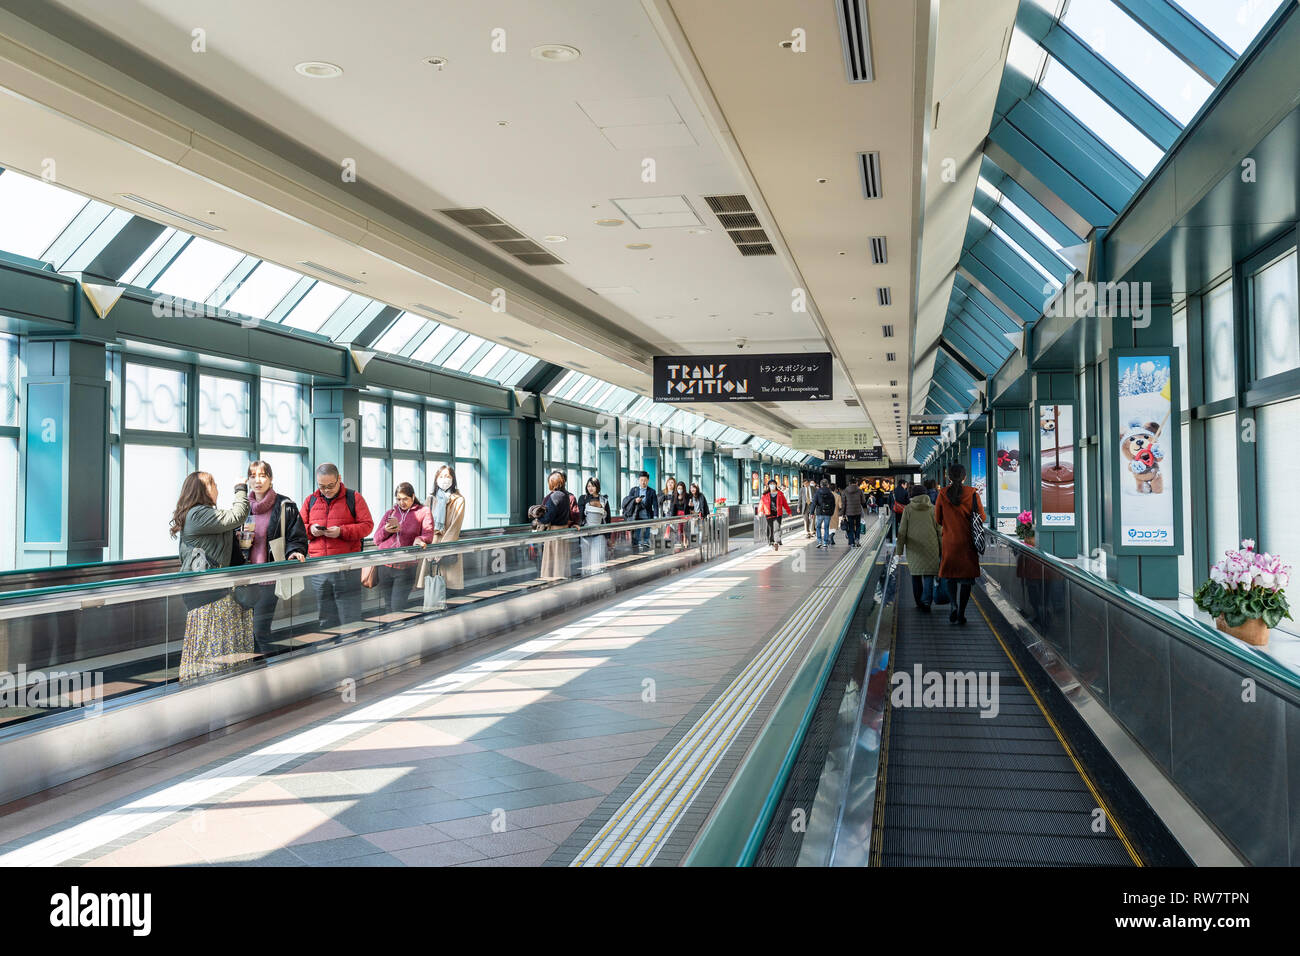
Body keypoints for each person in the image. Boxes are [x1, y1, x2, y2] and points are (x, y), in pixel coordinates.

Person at [171, 472, 253, 681]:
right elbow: (237, 515)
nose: (217, 488)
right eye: (214, 484)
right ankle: (210, 685)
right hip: (208, 594)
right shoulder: (197, 514)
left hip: (213, 592)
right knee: (212, 645)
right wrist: (240, 489)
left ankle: (215, 684)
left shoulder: (200, 514)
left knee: (213, 643)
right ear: (203, 490)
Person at [244, 460, 308, 657]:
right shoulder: (243, 506)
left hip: (269, 577)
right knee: (248, 632)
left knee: (260, 630)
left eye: (262, 475)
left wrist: (294, 551)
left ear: (271, 478)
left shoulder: (285, 505)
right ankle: (259, 671)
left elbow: (296, 535)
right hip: (246, 578)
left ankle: (277, 671)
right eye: (253, 476)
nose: (258, 480)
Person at [302, 463, 374, 630]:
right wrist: (311, 530)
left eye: (330, 486)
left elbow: (367, 526)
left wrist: (342, 531)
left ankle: (351, 652)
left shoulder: (354, 498)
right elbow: (299, 528)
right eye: (321, 486)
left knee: (349, 617)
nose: (326, 490)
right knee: (325, 618)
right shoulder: (311, 500)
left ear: (339, 479)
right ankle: (328, 651)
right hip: (320, 568)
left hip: (346, 568)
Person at [934, 463, 986, 625]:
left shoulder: (942, 494)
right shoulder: (972, 494)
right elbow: (982, 517)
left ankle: (953, 605)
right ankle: (961, 613)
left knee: (950, 577)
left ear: (949, 477)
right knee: (966, 580)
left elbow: (938, 519)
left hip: (949, 541)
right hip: (968, 542)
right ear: (964, 477)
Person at [372, 481, 433, 613]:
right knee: (388, 606)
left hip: (406, 567)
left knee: (397, 607)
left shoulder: (423, 512)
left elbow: (428, 535)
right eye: (398, 499)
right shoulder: (391, 512)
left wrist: (419, 539)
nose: (402, 502)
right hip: (385, 565)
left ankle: (399, 630)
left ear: (413, 496)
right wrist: (387, 530)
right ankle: (390, 632)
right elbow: (376, 540)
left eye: (405, 499)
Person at [423, 464, 467, 600]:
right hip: (432, 546)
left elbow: (455, 527)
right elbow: (425, 523)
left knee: (449, 588)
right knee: (433, 587)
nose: (444, 479)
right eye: (441, 476)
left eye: (447, 476)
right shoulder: (430, 499)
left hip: (448, 546)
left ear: (453, 479)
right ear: (436, 479)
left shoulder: (459, 500)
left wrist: (442, 550)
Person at [897, 485, 942, 611]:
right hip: (931, 546)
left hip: (914, 547)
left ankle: (919, 602)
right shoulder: (933, 509)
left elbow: (902, 530)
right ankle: (927, 602)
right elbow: (940, 531)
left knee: (916, 575)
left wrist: (899, 550)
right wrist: (943, 549)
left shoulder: (908, 509)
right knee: (929, 574)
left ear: (912, 495)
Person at [538, 471, 578, 579]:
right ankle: (560, 577)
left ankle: (552, 579)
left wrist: (539, 517)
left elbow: (548, 518)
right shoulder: (565, 495)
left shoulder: (555, 496)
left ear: (553, 483)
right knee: (561, 559)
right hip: (563, 530)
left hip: (554, 532)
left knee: (552, 560)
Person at [578, 476, 612, 575]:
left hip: (599, 533)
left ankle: (597, 577)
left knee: (598, 558)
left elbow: (608, 519)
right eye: (588, 486)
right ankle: (586, 577)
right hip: (585, 534)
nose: (590, 488)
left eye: (593, 486)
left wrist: (608, 536)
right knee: (586, 559)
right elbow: (580, 515)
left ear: (597, 487)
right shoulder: (583, 498)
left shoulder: (604, 500)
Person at [620, 471, 658, 553]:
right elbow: (628, 501)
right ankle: (636, 546)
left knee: (647, 531)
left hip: (647, 515)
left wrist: (655, 516)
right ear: (639, 480)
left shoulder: (652, 491)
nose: (643, 482)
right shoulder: (634, 490)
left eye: (645, 480)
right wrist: (635, 500)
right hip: (636, 515)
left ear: (648, 480)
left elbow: (655, 505)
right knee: (637, 531)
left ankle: (646, 543)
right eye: (641, 480)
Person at [758, 477, 791, 550]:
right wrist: (760, 511)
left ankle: (776, 541)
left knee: (777, 527)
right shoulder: (765, 494)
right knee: (770, 528)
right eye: (770, 484)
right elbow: (761, 503)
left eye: (773, 484)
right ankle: (771, 541)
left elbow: (785, 504)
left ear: (776, 485)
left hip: (777, 513)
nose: (772, 485)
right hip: (768, 513)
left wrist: (789, 512)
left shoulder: (780, 494)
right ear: (768, 486)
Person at [841, 478, 864, 548]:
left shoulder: (845, 491)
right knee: (858, 526)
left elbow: (843, 503)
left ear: (849, 483)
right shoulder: (860, 490)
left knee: (850, 527)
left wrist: (843, 513)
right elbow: (863, 501)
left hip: (849, 512)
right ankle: (857, 539)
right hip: (858, 511)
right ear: (856, 483)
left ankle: (852, 543)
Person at [812, 479, 835, 549]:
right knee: (826, 528)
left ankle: (819, 541)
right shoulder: (830, 493)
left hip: (819, 512)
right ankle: (825, 542)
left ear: (821, 485)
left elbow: (814, 503)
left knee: (818, 527)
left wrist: (811, 512)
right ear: (827, 485)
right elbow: (833, 504)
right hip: (828, 513)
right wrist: (831, 512)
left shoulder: (817, 492)